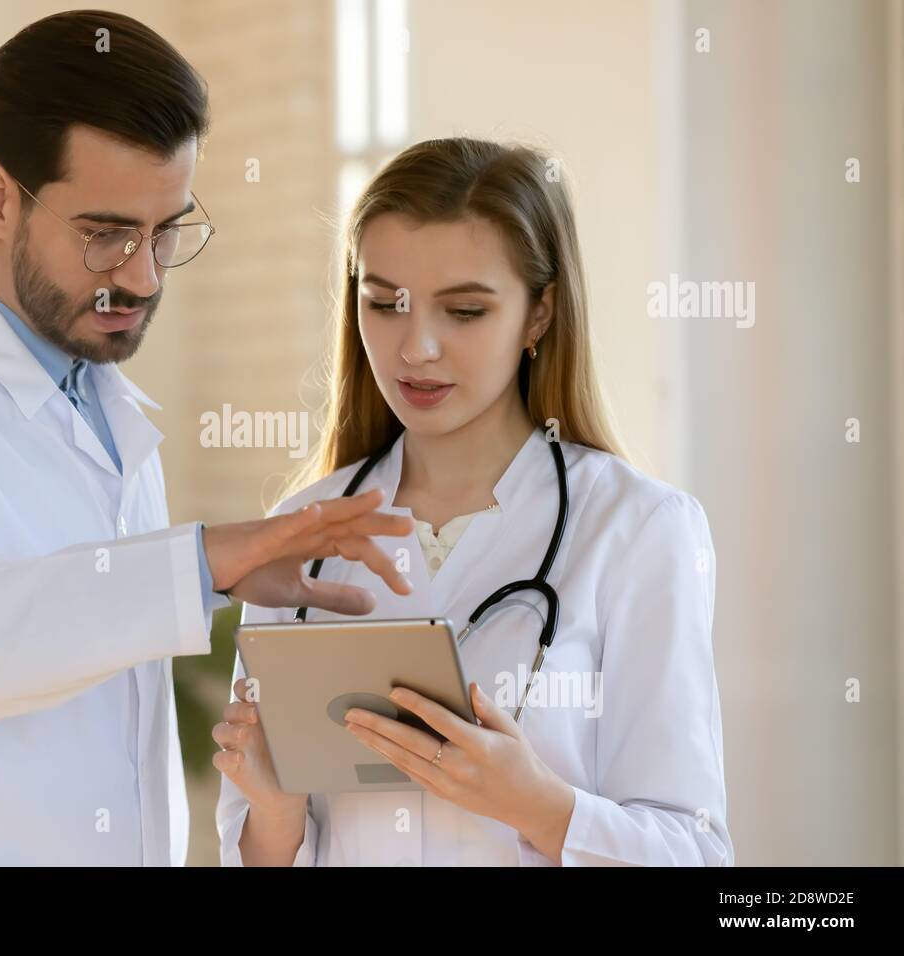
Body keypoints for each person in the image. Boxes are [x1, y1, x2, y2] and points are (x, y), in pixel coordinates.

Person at [0, 10, 413, 867]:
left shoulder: (102, 403)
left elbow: (77, 651)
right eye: (106, 235)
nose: (140, 276)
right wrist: (198, 562)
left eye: (166, 232)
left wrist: (213, 583)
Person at [214, 137, 734, 866]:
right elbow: (257, 851)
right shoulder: (301, 537)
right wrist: (274, 811)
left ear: (539, 315)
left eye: (463, 311)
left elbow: (697, 852)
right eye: (384, 303)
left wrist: (535, 804)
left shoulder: (638, 529)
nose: (416, 347)